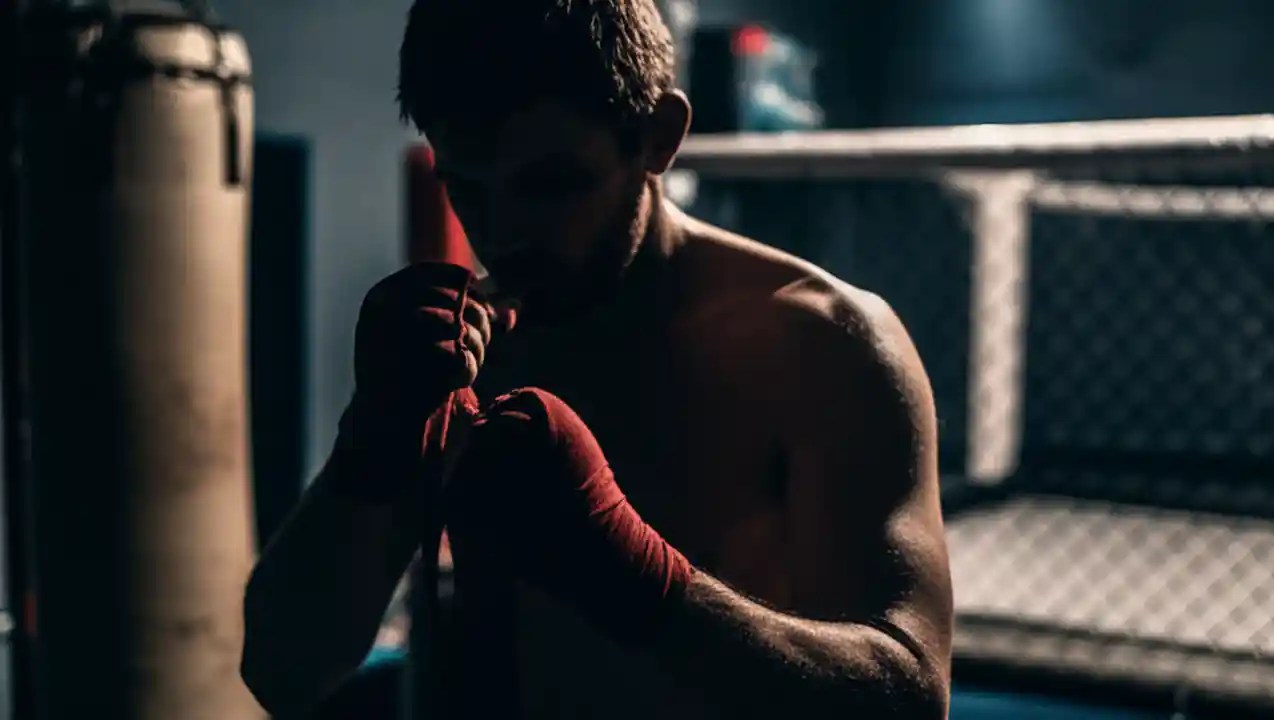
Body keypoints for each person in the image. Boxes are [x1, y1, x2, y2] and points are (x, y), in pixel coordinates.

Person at [240, 1, 954, 718]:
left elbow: (913, 699)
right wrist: (370, 444)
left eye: (551, 184)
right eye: (468, 186)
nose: (503, 232)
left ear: (656, 138)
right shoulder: (468, 354)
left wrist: (634, 578)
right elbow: (281, 669)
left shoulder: (821, 343)